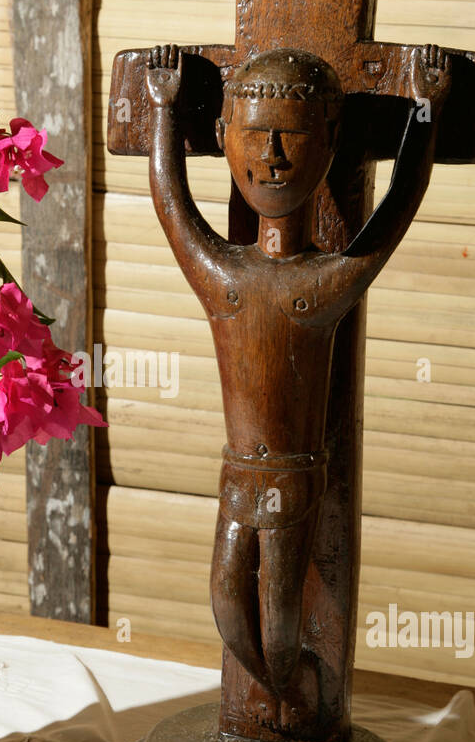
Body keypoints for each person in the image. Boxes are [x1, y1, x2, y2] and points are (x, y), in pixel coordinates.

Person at [145, 41, 451, 706]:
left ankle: (286, 700)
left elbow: (400, 202)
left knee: (281, 622)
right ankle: (276, 699)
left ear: (331, 140)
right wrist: (163, 111)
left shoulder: (323, 284)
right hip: (237, 475)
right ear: (226, 137)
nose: (273, 156)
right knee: (227, 606)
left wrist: (424, 109)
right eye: (256, 135)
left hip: (293, 481)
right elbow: (170, 203)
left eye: (291, 136)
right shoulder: (222, 276)